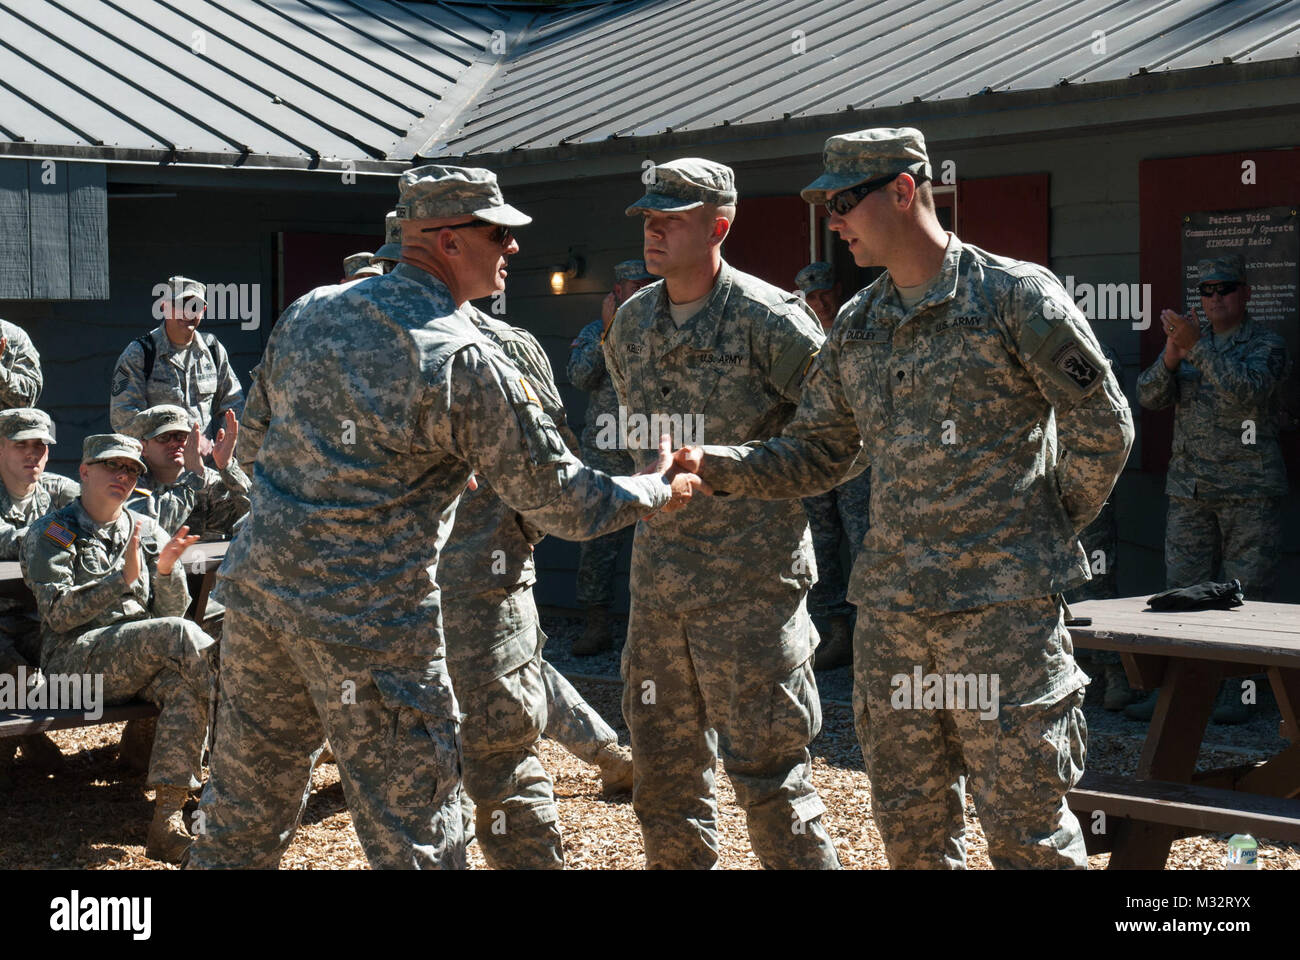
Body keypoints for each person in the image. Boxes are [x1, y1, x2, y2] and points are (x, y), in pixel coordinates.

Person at [187, 164, 698, 871]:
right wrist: (655, 488)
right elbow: (565, 502)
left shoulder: (309, 312)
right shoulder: (462, 354)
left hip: (260, 604)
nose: (513, 248)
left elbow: (255, 442)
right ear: (447, 240)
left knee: (238, 828)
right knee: (419, 840)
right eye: (499, 233)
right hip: (373, 628)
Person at [678, 128, 1134, 868]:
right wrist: (716, 464)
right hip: (894, 624)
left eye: (843, 201)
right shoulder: (859, 326)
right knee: (914, 834)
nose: (833, 221)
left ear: (903, 189)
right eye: (826, 206)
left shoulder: (1014, 298)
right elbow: (823, 448)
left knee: (1029, 834)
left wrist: (1041, 528)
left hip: (1001, 622)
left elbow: (1102, 423)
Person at [605, 157, 840, 869]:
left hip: (750, 590)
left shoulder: (772, 321)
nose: (654, 229)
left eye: (671, 217)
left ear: (719, 225)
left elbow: (841, 441)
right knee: (665, 782)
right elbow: (638, 438)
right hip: (660, 589)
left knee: (771, 781)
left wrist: (731, 467)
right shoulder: (634, 322)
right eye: (649, 216)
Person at [443, 303, 636, 868]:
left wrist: (521, 528)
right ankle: (606, 754)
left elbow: (553, 452)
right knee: (511, 677)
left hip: (474, 566)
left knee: (507, 687)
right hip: (433, 571)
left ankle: (605, 755)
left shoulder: (504, 342)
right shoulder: (364, 343)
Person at [21, 434, 217, 862]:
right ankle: (246, 749)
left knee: (182, 687)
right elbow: (56, 616)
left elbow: (172, 611)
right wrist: (118, 580)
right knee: (181, 638)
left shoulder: (145, 529)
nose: (123, 476)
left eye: (131, 470)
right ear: (85, 471)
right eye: (113, 466)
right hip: (73, 667)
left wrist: (165, 572)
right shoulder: (52, 532)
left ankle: (167, 821)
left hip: (136, 659)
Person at [1130, 254, 1291, 725]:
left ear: (1245, 294)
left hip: (1249, 491)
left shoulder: (1267, 343)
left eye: (1224, 288)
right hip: (1191, 490)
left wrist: (1196, 347)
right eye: (1206, 290)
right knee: (1181, 596)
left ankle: (1239, 696)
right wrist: (1171, 358)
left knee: (1247, 597)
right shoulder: (1188, 346)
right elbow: (1149, 397)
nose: (1214, 297)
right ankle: (1175, 696)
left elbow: (1250, 391)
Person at [566, 259, 656, 655]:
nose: (640, 295)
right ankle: (597, 625)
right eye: (632, 288)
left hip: (649, 451)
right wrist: (606, 331)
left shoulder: (660, 332)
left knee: (653, 542)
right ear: (616, 293)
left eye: (646, 287)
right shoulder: (594, 332)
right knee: (598, 541)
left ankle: (649, 632)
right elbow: (581, 377)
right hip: (604, 457)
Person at [793, 261, 870, 669]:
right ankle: (836, 632)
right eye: (812, 296)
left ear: (837, 290)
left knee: (864, 543)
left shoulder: (860, 329)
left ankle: (868, 632)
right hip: (814, 457)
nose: (819, 302)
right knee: (820, 547)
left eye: (825, 293)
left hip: (858, 458)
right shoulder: (795, 335)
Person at [0, 408, 77, 781]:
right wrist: (50, 535)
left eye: (40, 445)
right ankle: (28, 742)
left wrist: (53, 535)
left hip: (41, 620)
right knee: (15, 676)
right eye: (21, 445)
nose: (33, 454)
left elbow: (91, 520)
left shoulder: (59, 490)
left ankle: (29, 741)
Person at [109, 277, 244, 454]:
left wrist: (222, 445)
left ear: (203, 311)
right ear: (165, 307)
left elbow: (234, 405)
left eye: (194, 307)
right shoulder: (140, 353)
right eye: (180, 305)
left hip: (207, 468)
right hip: (156, 472)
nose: (187, 313)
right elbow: (123, 416)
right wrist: (180, 438)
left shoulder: (213, 351)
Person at [124, 405, 248, 540]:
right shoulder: (128, 483)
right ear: (143, 447)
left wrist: (227, 467)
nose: (174, 443)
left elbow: (258, 517)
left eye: (181, 437)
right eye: (163, 437)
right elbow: (149, 531)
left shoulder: (206, 478)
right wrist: (192, 480)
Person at [0, 320, 42, 409]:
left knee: (38, 419)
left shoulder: (15, 336)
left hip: (3, 420)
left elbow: (28, 399)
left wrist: (1, 374)